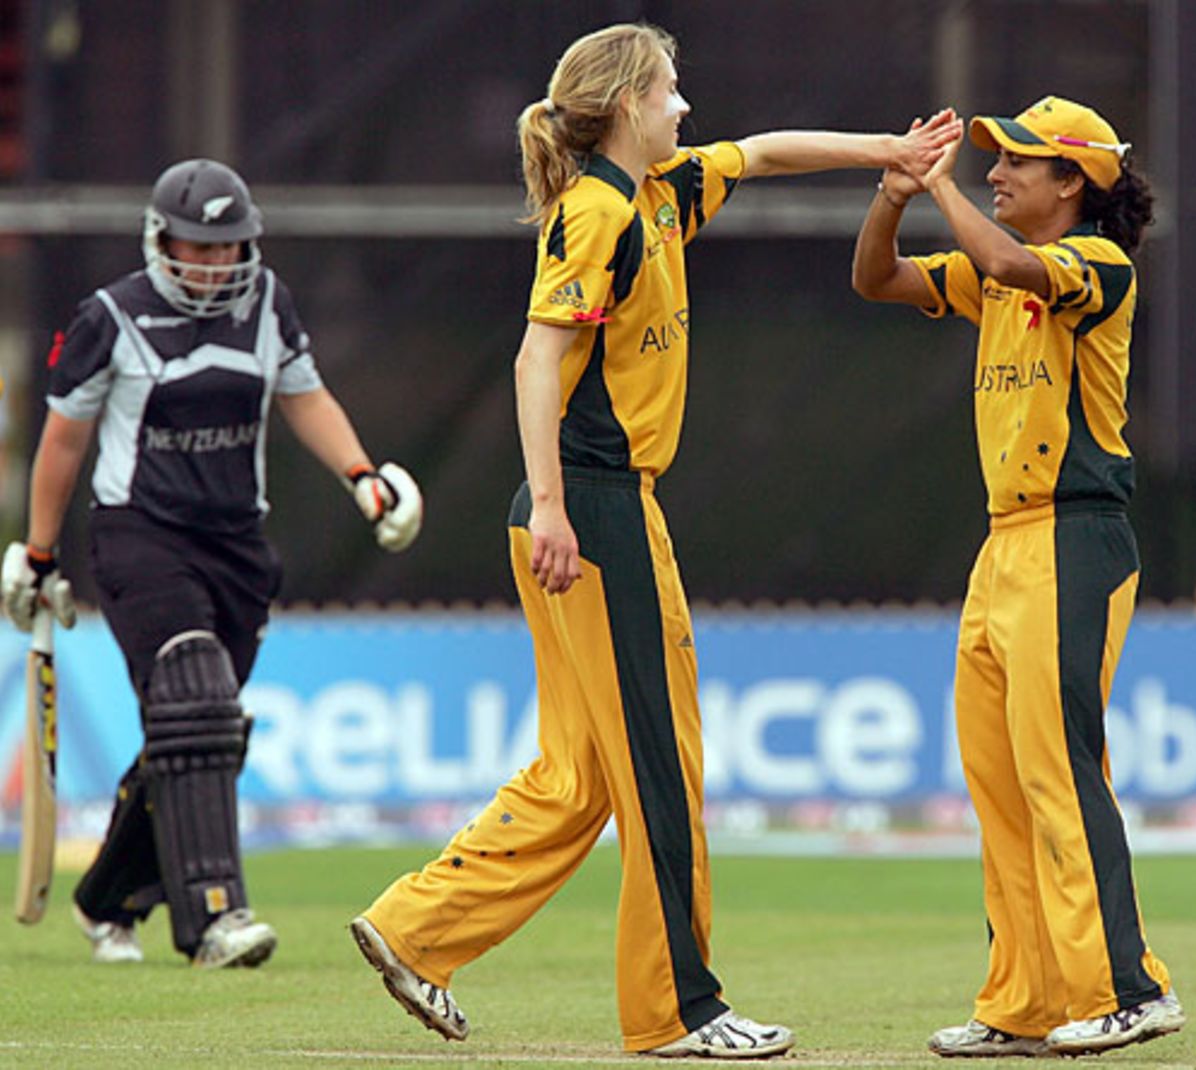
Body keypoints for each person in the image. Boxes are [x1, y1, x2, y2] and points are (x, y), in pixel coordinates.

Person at [349, 22, 958, 1059]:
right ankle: (682, 1012)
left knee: (581, 777)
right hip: (594, 512)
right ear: (628, 103)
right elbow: (537, 361)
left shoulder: (660, 192)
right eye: (671, 90)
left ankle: (416, 930)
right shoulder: (598, 211)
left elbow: (760, 153)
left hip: (595, 509)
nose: (685, 106)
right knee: (659, 773)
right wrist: (553, 506)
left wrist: (887, 154)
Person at [1, 158, 422, 968]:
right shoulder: (110, 317)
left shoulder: (267, 305)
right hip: (140, 536)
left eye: (228, 246)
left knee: (200, 727)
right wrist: (39, 551)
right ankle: (215, 919)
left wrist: (363, 478)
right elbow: (63, 439)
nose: (214, 262)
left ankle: (106, 899)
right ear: (162, 241)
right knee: (195, 698)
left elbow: (304, 395)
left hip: (236, 545)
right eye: (197, 246)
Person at [852, 97, 1185, 1057]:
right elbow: (876, 278)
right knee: (998, 783)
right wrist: (892, 196)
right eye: (992, 162)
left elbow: (1005, 263)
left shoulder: (1098, 265)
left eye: (1016, 163)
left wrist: (939, 187)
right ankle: (1025, 1002)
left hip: (1074, 537)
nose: (995, 174)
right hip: (1005, 544)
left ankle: (1129, 988)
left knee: (1059, 771)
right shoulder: (994, 270)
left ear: (1071, 180)